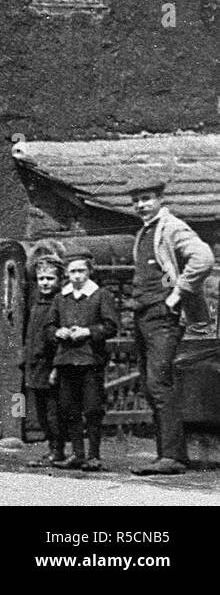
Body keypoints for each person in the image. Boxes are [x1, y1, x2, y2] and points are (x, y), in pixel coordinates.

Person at [124, 173, 215, 475]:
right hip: (144, 315)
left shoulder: (171, 227)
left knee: (159, 383)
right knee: (152, 386)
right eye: (136, 201)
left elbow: (203, 258)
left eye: (146, 199)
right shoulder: (144, 232)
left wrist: (176, 296)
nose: (141, 205)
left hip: (163, 317)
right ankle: (168, 454)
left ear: (160, 199)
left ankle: (173, 458)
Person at [47, 252, 118, 472]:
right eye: (73, 272)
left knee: (93, 408)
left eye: (81, 271)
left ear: (89, 271)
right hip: (66, 360)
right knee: (69, 407)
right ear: (66, 274)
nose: (77, 276)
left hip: (90, 359)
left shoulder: (100, 295)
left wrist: (88, 331)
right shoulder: (61, 297)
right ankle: (78, 454)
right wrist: (58, 331)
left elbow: (111, 326)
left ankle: (94, 455)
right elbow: (49, 326)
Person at [21, 256, 64, 467]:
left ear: (59, 280)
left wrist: (55, 366)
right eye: (41, 278)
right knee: (40, 410)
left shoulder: (60, 303)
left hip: (51, 364)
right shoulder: (37, 303)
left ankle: (58, 450)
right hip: (35, 363)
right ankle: (50, 448)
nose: (45, 283)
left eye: (50, 278)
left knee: (52, 410)